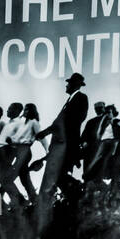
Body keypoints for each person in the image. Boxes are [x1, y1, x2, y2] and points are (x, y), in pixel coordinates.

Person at [38, 71, 89, 208]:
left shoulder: (81, 98)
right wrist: (45, 132)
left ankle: (76, 194)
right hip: (60, 144)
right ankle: (72, 197)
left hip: (67, 144)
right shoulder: (69, 101)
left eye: (69, 83)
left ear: (74, 85)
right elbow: (58, 123)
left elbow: (77, 119)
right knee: (58, 175)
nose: (66, 85)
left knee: (61, 174)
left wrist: (65, 137)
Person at [3, 103, 43, 207]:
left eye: (10, 109)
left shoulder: (27, 123)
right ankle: (31, 201)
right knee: (22, 179)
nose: (7, 110)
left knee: (4, 181)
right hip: (8, 157)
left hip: (18, 155)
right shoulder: (14, 123)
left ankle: (24, 202)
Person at [80, 101, 106, 181]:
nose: (99, 110)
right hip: (90, 150)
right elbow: (84, 135)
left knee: (99, 171)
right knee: (88, 172)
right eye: (97, 109)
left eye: (101, 108)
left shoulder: (107, 119)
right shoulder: (91, 122)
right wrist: (83, 142)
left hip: (102, 149)